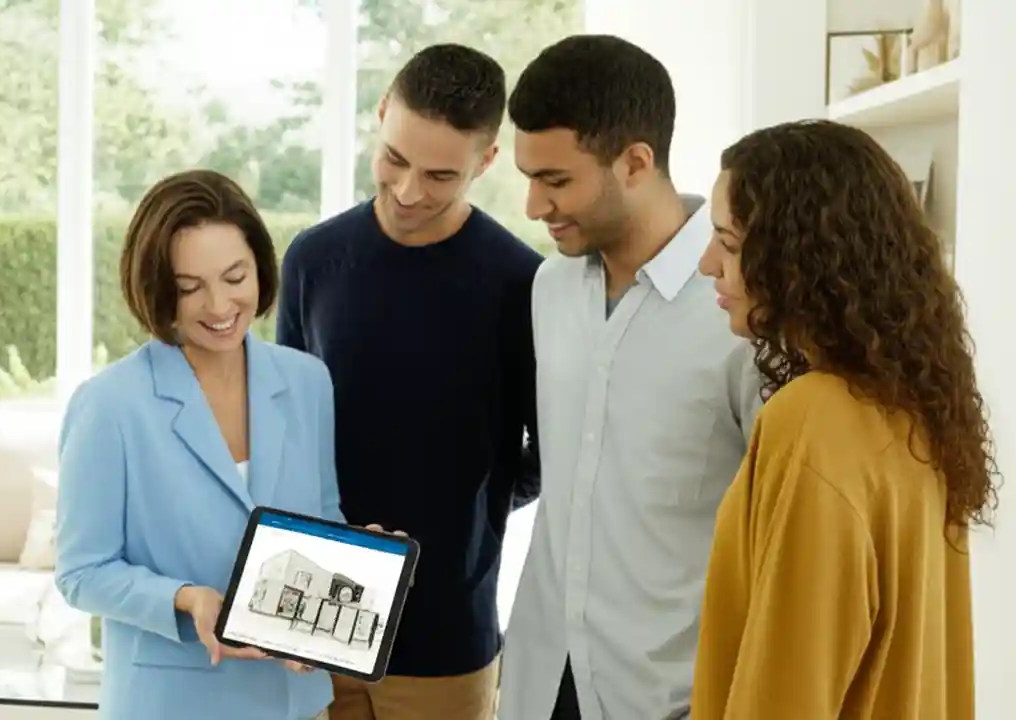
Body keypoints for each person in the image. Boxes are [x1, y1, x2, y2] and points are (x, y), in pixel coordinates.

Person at [690, 119, 1000, 719]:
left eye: (728, 243)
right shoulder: (918, 412)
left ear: (798, 256)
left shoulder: (812, 422)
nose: (708, 264)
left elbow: (786, 694)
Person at [276, 43, 543, 720]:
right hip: (312, 623)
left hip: (446, 634)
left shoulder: (521, 283)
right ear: (381, 113)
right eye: (394, 159)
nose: (407, 191)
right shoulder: (312, 260)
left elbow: (548, 450)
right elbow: (288, 433)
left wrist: (464, 512)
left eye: (439, 175)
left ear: (486, 162)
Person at [498, 35, 761, 720]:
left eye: (555, 181)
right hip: (542, 677)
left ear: (636, 162)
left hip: (670, 693)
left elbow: (778, 529)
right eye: (529, 177)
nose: (533, 205)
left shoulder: (742, 308)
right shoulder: (548, 289)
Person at [54, 169, 340, 720]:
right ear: (160, 291)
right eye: (190, 288)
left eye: (235, 276)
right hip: (173, 704)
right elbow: (81, 571)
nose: (219, 305)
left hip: (294, 703)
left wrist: (353, 561)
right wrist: (186, 598)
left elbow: (321, 519)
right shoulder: (110, 405)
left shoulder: (307, 381)